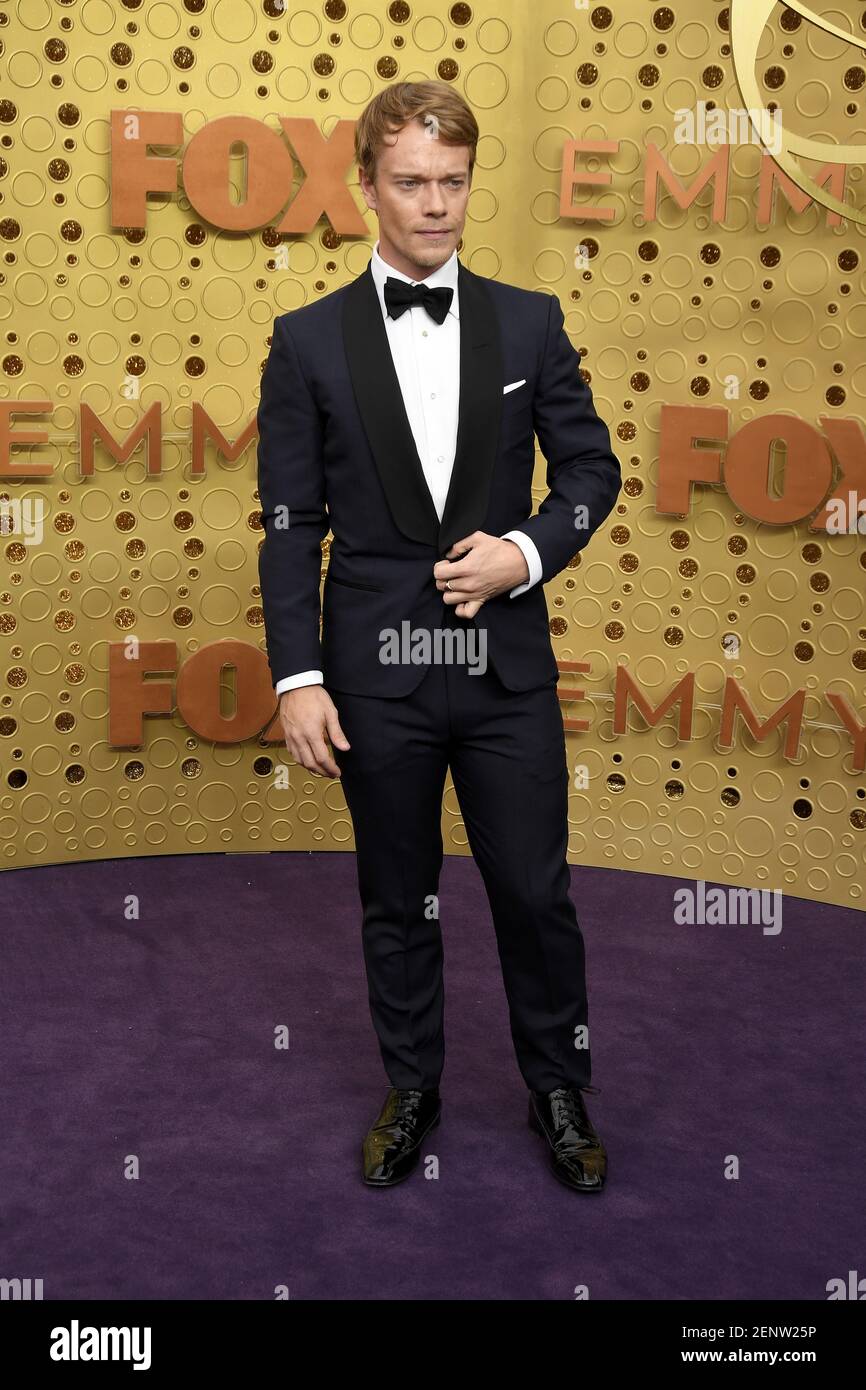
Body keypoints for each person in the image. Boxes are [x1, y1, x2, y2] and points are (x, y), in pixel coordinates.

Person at [256, 81, 622, 1192]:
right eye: (409, 183)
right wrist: (298, 676)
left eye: (451, 183)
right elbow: (287, 522)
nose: (433, 205)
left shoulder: (529, 320)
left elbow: (591, 473)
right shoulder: (305, 341)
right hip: (373, 678)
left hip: (503, 669)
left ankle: (557, 1086)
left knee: (533, 887)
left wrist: (525, 550)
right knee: (396, 890)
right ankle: (410, 1083)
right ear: (365, 185)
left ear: (471, 183)